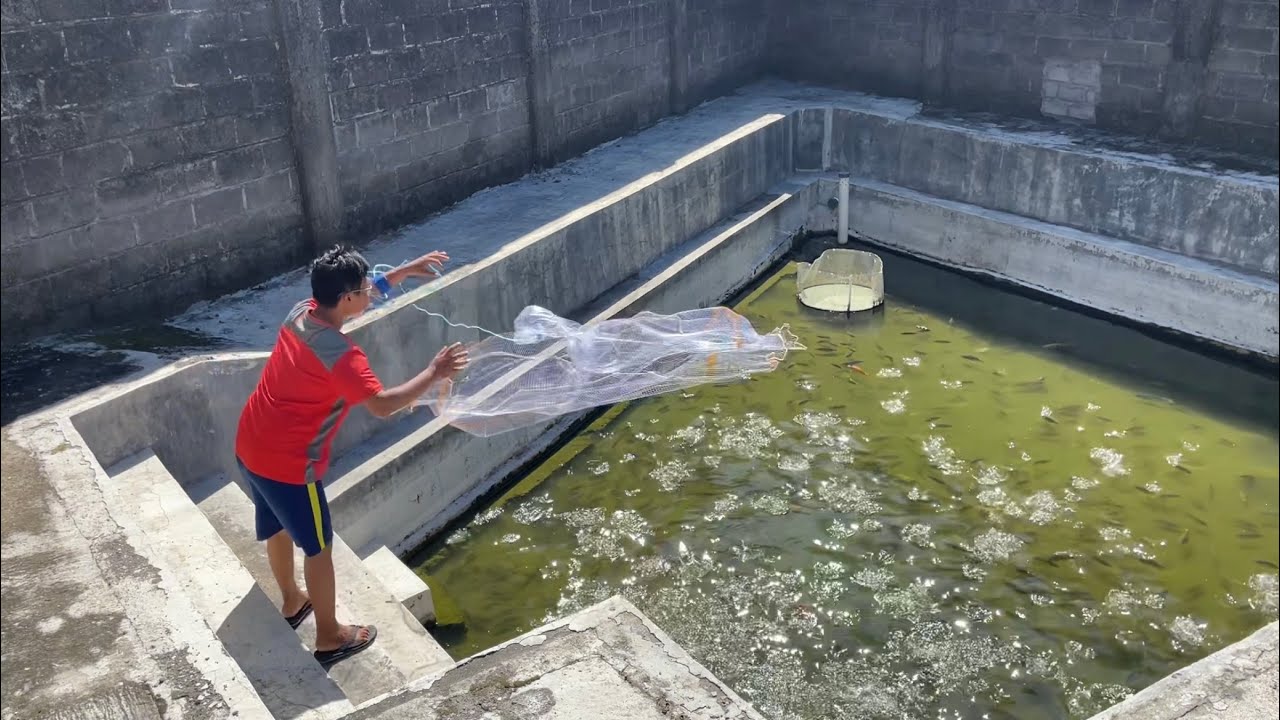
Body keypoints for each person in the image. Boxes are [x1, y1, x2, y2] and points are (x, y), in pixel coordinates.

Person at [233, 244, 469, 666]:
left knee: (277, 526)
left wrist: (406, 271)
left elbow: (358, 293)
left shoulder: (300, 312)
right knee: (319, 546)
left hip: (251, 443)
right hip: (288, 465)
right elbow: (382, 404)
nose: (371, 292)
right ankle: (329, 635)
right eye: (364, 288)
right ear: (346, 298)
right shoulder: (342, 356)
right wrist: (434, 374)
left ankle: (291, 601)